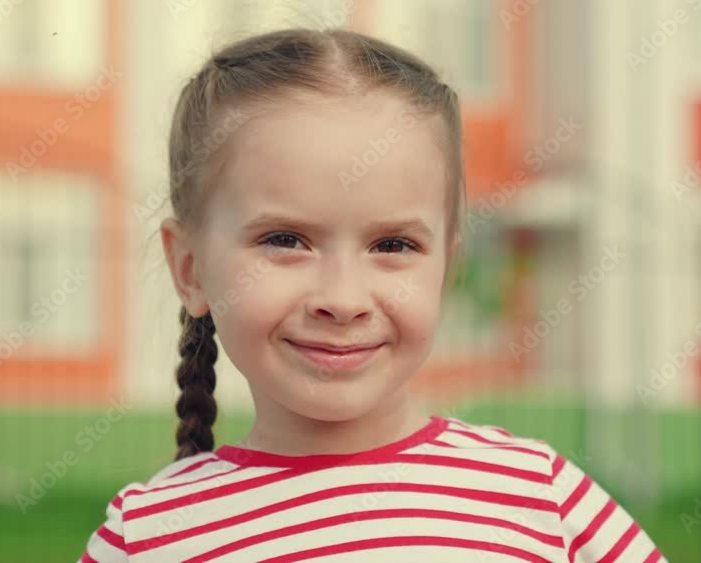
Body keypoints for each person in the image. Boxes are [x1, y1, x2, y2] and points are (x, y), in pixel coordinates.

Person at [78, 27, 667, 563]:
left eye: (393, 245)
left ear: (446, 264)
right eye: (286, 239)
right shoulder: (147, 537)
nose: (343, 298)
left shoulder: (541, 497)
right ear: (191, 269)